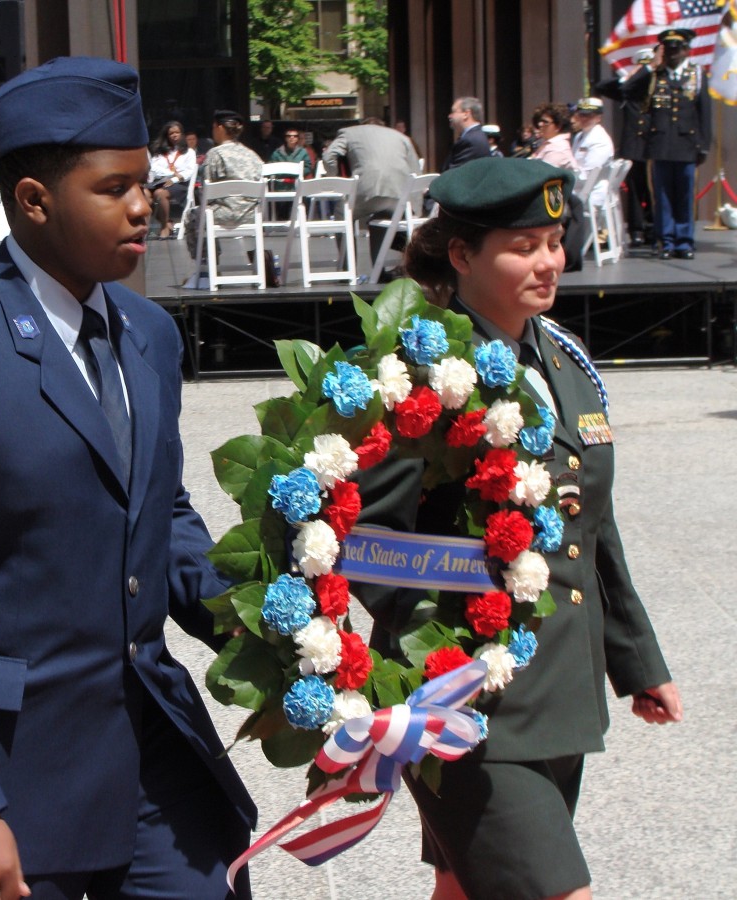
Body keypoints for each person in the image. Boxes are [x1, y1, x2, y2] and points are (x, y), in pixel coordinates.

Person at [0, 57, 257, 900]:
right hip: (8, 775)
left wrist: (279, 639)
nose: (145, 206)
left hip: (152, 758)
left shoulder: (148, 335)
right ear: (33, 200)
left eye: (144, 183)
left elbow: (162, 516)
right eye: (113, 188)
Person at [354, 157, 681, 900]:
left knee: (464, 890)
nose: (548, 262)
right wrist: (449, 648)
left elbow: (591, 522)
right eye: (523, 245)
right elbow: (367, 537)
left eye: (555, 241)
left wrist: (638, 660)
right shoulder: (422, 374)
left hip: (559, 696)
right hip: (473, 706)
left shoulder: (561, 357)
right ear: (463, 255)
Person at [607, 28, 709, 260]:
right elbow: (627, 90)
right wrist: (650, 66)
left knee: (684, 196)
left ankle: (684, 242)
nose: (673, 54)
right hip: (660, 144)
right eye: (669, 49)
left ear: (686, 50)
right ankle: (666, 241)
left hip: (686, 144)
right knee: (662, 197)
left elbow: (704, 113)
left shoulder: (696, 75)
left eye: (677, 49)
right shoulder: (654, 75)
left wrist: (703, 146)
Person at [322, 116, 421, 263]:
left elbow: (329, 156)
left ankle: (347, 268)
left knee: (341, 214)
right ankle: (378, 270)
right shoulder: (401, 137)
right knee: (380, 219)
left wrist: (335, 178)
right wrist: (415, 208)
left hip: (368, 189)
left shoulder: (348, 132)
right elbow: (415, 171)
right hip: (400, 194)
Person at [183, 109, 265, 272]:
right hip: (252, 214)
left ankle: (207, 265)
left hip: (223, 214)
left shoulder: (215, 154)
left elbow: (206, 191)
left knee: (193, 216)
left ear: (220, 128)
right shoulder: (252, 155)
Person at [594, 48, 658, 247]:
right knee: (636, 190)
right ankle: (637, 228)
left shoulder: (660, 86)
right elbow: (601, 86)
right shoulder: (628, 90)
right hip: (634, 146)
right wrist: (628, 77)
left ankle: (654, 227)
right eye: (642, 65)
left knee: (655, 189)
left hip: (654, 145)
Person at [146, 121, 196, 238]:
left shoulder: (189, 152)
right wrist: (172, 173)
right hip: (160, 181)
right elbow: (154, 168)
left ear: (182, 134)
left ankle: (164, 227)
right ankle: (166, 221)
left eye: (177, 133)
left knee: (160, 194)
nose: (174, 135)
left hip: (180, 184)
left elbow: (189, 172)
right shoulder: (160, 152)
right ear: (167, 136)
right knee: (144, 195)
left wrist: (174, 179)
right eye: (171, 133)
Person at [569, 97, 614, 211]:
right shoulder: (579, 136)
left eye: (589, 115)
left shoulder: (599, 140)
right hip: (579, 189)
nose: (584, 118)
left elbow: (588, 175)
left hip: (591, 193)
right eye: (581, 115)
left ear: (598, 117)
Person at [444, 97, 491, 170]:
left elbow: (453, 173)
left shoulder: (470, 141)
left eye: (453, 112)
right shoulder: (476, 136)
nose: (449, 116)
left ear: (466, 114)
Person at [529, 103, 576, 169]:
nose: (540, 124)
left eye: (545, 122)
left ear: (558, 126)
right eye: (539, 121)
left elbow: (543, 175)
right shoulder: (546, 144)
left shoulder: (558, 150)